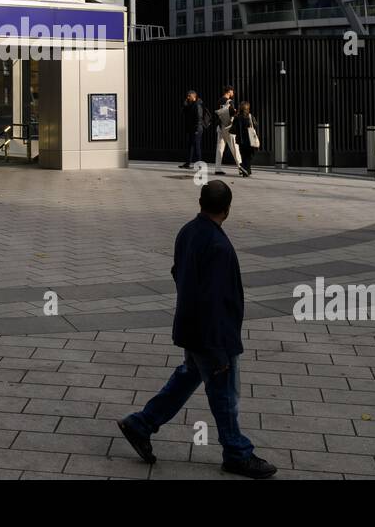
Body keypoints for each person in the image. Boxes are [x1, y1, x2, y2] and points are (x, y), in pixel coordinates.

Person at [116, 181, 276, 479]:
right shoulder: (218, 245)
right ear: (228, 209)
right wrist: (219, 345)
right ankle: (236, 453)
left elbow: (179, 273)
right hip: (212, 334)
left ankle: (141, 423)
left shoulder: (188, 231)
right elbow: (214, 298)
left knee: (188, 376)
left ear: (200, 201)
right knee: (224, 393)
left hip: (191, 325)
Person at [213, 85, 242, 176]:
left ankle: (217, 168)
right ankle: (241, 168)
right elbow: (232, 113)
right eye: (232, 91)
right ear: (229, 91)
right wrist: (235, 111)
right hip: (229, 127)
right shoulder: (229, 101)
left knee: (220, 148)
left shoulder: (219, 101)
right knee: (235, 148)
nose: (233, 93)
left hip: (220, 127)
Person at [231, 101, 258, 177]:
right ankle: (243, 167)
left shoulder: (237, 117)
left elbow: (233, 129)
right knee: (249, 156)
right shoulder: (250, 116)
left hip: (240, 140)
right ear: (248, 108)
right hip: (250, 139)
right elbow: (256, 125)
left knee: (243, 155)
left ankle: (246, 171)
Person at [180, 90, 205, 169]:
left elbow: (199, 118)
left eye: (189, 96)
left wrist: (197, 129)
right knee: (190, 145)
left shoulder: (198, 104)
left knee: (197, 146)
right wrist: (185, 105)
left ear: (193, 96)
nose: (187, 97)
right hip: (191, 128)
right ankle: (188, 163)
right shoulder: (190, 104)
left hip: (197, 128)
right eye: (187, 96)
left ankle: (199, 164)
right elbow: (183, 112)